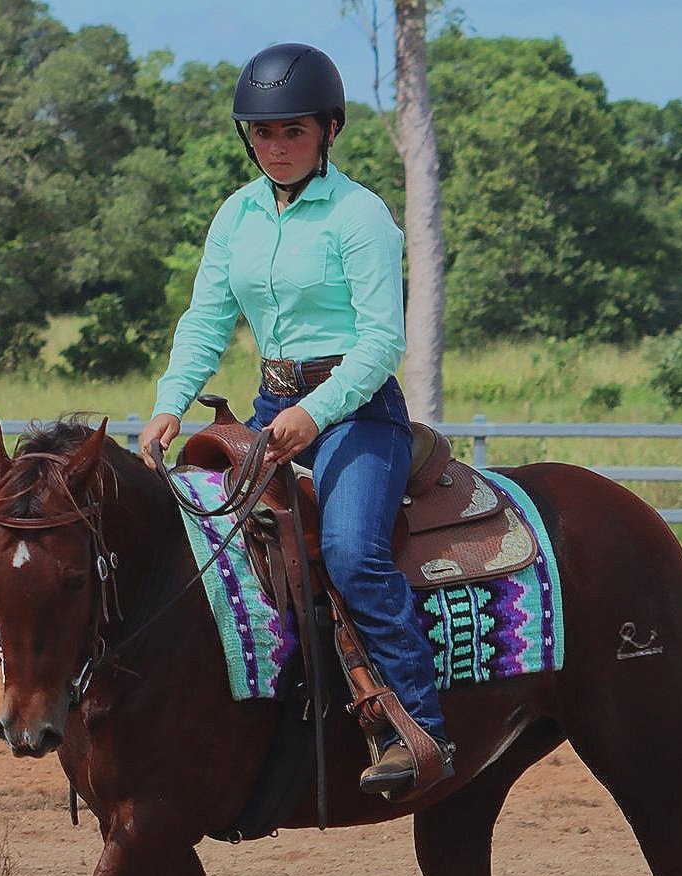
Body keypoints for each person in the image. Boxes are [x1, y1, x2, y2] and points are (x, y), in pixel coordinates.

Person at [139, 42, 453, 797]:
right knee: (195, 546)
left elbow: (381, 340)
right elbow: (206, 320)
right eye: (262, 133)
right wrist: (166, 404)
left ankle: (420, 724)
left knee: (349, 551)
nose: (275, 148)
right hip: (268, 408)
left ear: (328, 132)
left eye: (293, 132)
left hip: (357, 412)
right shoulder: (236, 215)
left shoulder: (360, 215)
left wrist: (315, 415)